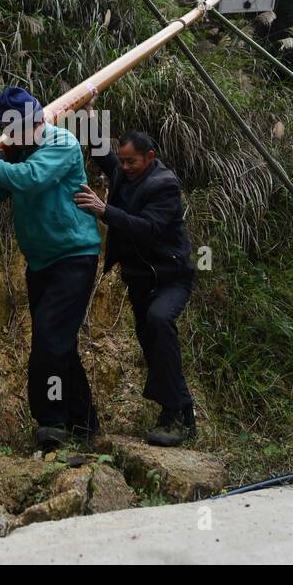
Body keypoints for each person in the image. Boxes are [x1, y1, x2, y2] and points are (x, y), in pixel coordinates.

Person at [0, 86, 103, 451]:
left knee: (49, 341)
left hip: (74, 256)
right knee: (60, 344)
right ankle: (85, 423)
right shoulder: (15, 151)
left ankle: (51, 422)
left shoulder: (62, 143)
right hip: (40, 261)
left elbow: (31, 179)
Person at [74, 130, 197, 446]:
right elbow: (99, 147)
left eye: (132, 161)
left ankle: (174, 416)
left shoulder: (164, 185)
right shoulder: (120, 170)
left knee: (159, 321)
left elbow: (149, 229)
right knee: (151, 343)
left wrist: (104, 211)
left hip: (171, 276)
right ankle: (182, 413)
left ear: (149, 158)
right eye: (123, 159)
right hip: (141, 279)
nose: (124, 166)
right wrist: (88, 111)